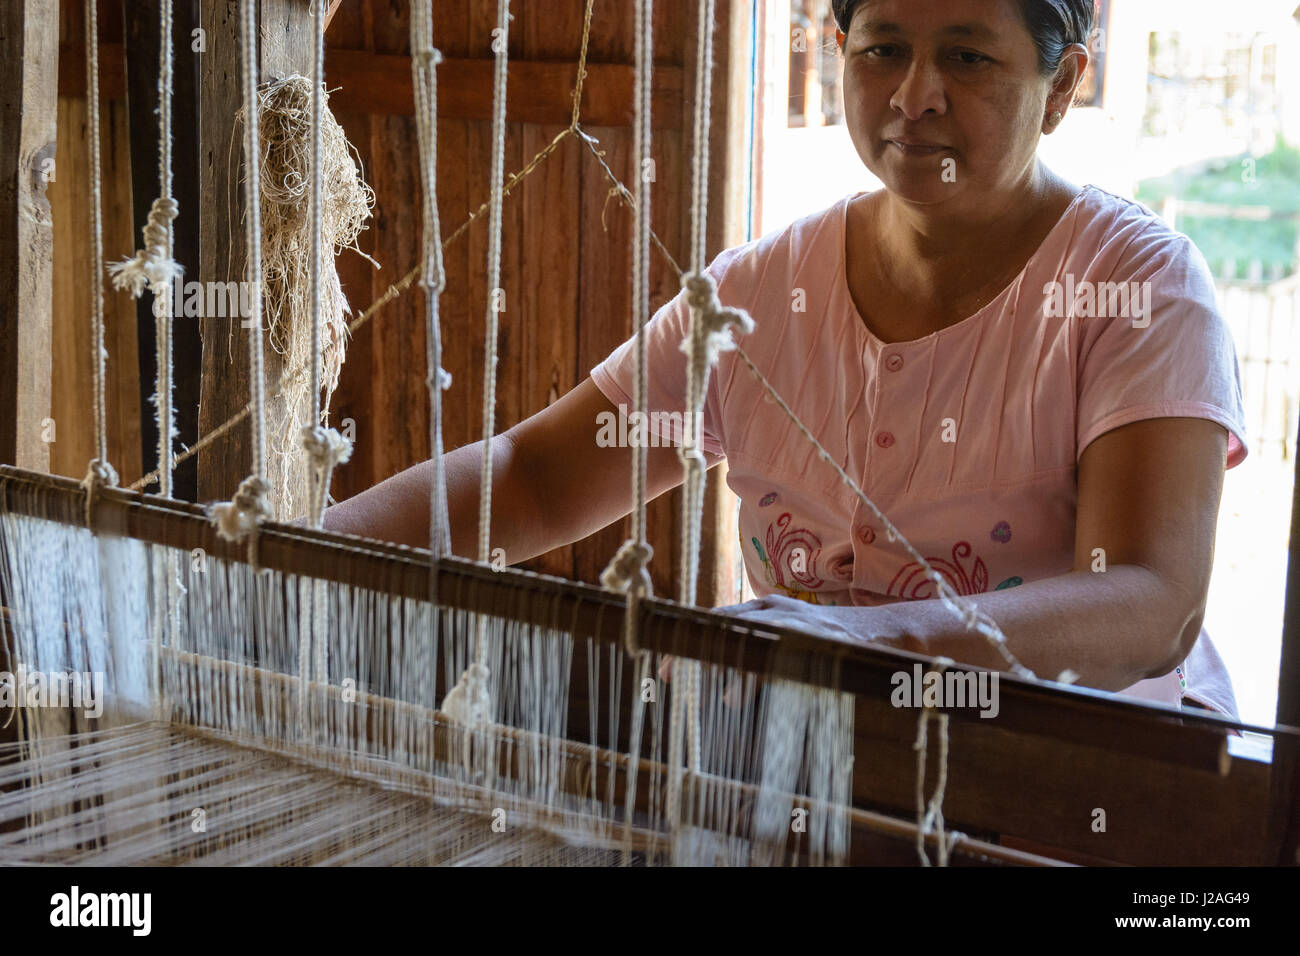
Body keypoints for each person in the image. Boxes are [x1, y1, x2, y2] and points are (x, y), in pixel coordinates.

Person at [322, 0, 1248, 717]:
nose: (913, 94)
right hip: (817, 763)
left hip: (1074, 782)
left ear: (1062, 85)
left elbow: (1149, 601)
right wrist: (298, 556)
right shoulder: (762, 294)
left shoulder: (1136, 289)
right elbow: (536, 479)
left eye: (967, 56)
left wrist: (862, 644)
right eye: (882, 46)